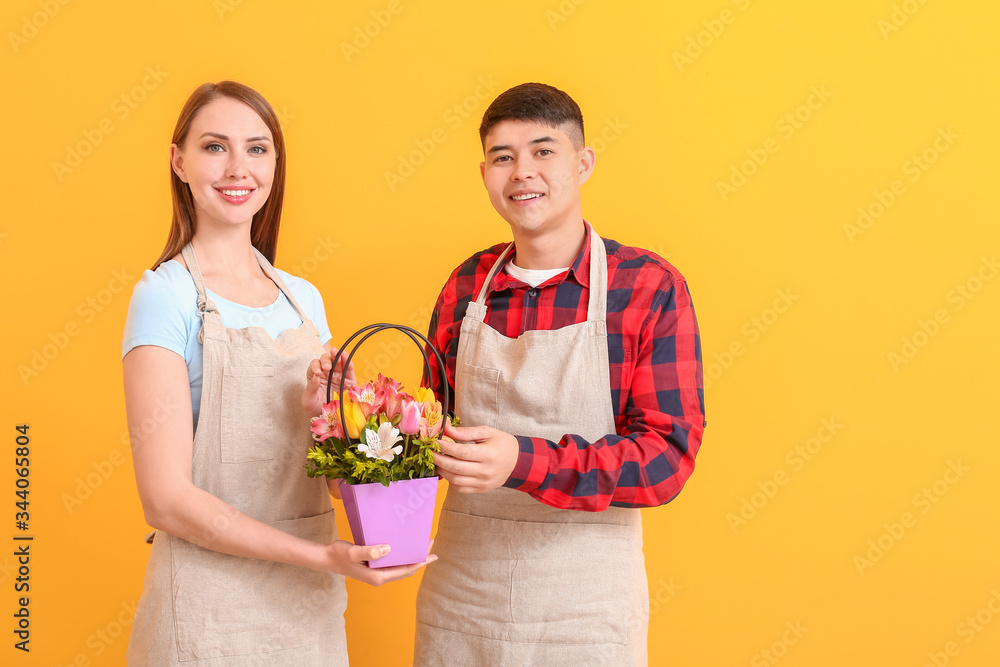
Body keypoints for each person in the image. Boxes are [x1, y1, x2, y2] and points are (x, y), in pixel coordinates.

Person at [122, 81, 432, 667]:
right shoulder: (165, 296)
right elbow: (164, 501)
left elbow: (328, 477)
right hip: (205, 613)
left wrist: (334, 418)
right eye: (215, 147)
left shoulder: (303, 300)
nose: (238, 167)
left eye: (258, 149)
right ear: (178, 161)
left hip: (306, 617)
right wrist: (322, 558)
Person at [413, 82, 706, 665]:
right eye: (504, 156)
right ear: (485, 173)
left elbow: (665, 460)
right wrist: (354, 414)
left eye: (543, 151)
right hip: (461, 599)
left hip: (585, 608)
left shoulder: (647, 288)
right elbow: (429, 429)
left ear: (583, 163)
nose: (523, 171)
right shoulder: (466, 286)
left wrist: (520, 461)